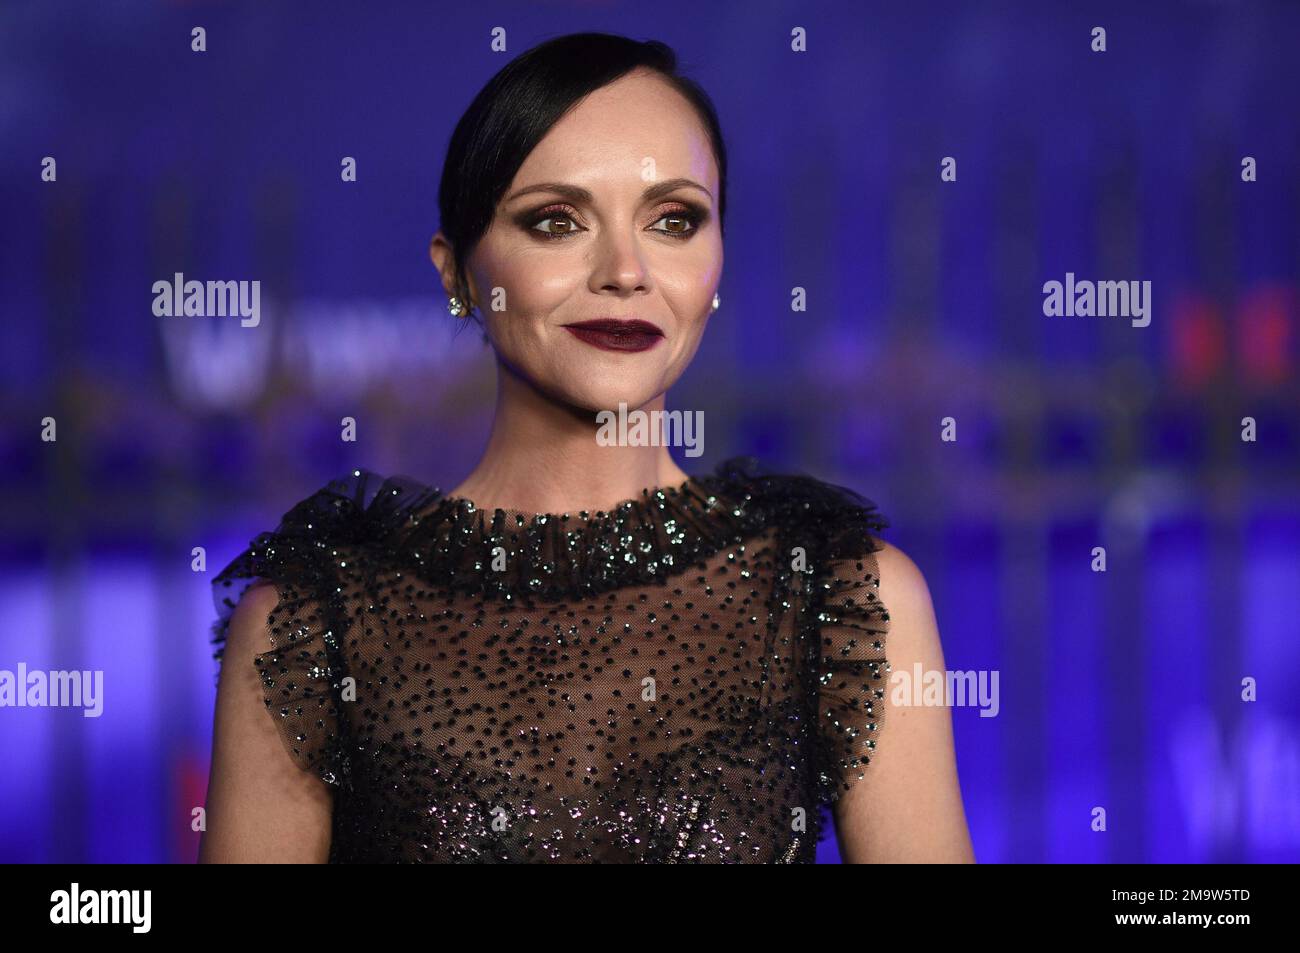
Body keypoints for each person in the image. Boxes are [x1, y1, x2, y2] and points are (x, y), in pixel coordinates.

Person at [199, 31, 974, 863]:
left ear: (717, 260)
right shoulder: (313, 624)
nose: (625, 271)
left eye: (674, 220)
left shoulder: (839, 597)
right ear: (457, 272)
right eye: (556, 220)